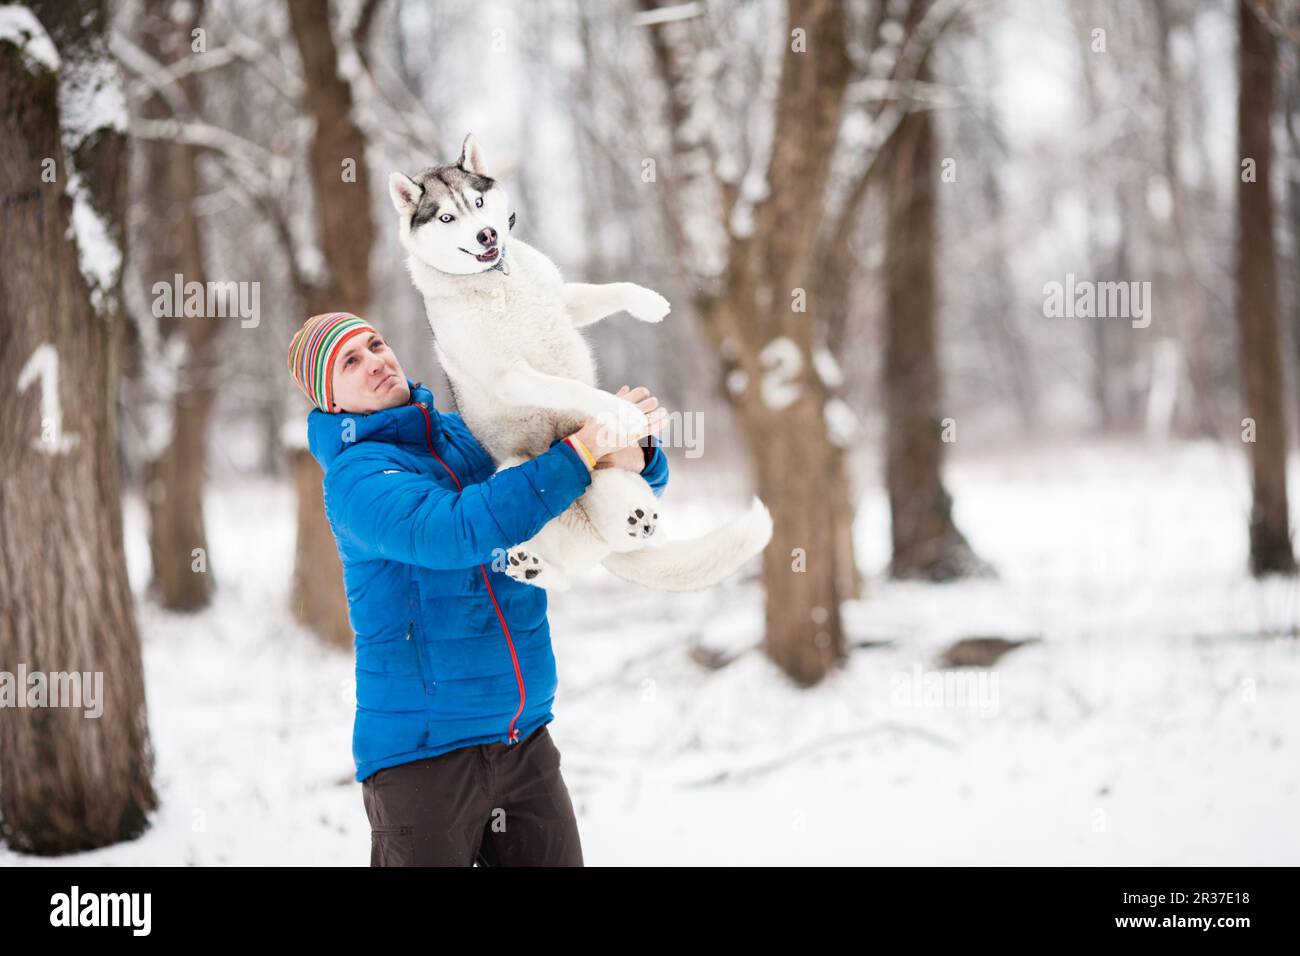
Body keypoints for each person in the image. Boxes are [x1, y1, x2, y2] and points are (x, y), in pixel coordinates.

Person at [286, 311, 669, 866]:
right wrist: (582, 452)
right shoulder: (356, 478)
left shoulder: (468, 430)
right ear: (331, 400)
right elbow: (458, 530)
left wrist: (631, 454)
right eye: (351, 361)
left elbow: (585, 491)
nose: (375, 361)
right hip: (423, 760)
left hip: (524, 740)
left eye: (376, 344)